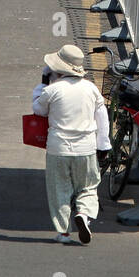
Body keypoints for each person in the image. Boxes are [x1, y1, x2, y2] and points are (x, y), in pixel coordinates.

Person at [32, 44, 108, 244]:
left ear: (57, 69)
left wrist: (42, 84)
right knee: (88, 186)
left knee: (59, 189)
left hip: (58, 148)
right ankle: (83, 214)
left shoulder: (53, 90)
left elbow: (38, 109)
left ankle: (63, 232)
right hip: (86, 148)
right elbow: (102, 117)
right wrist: (103, 144)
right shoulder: (90, 88)